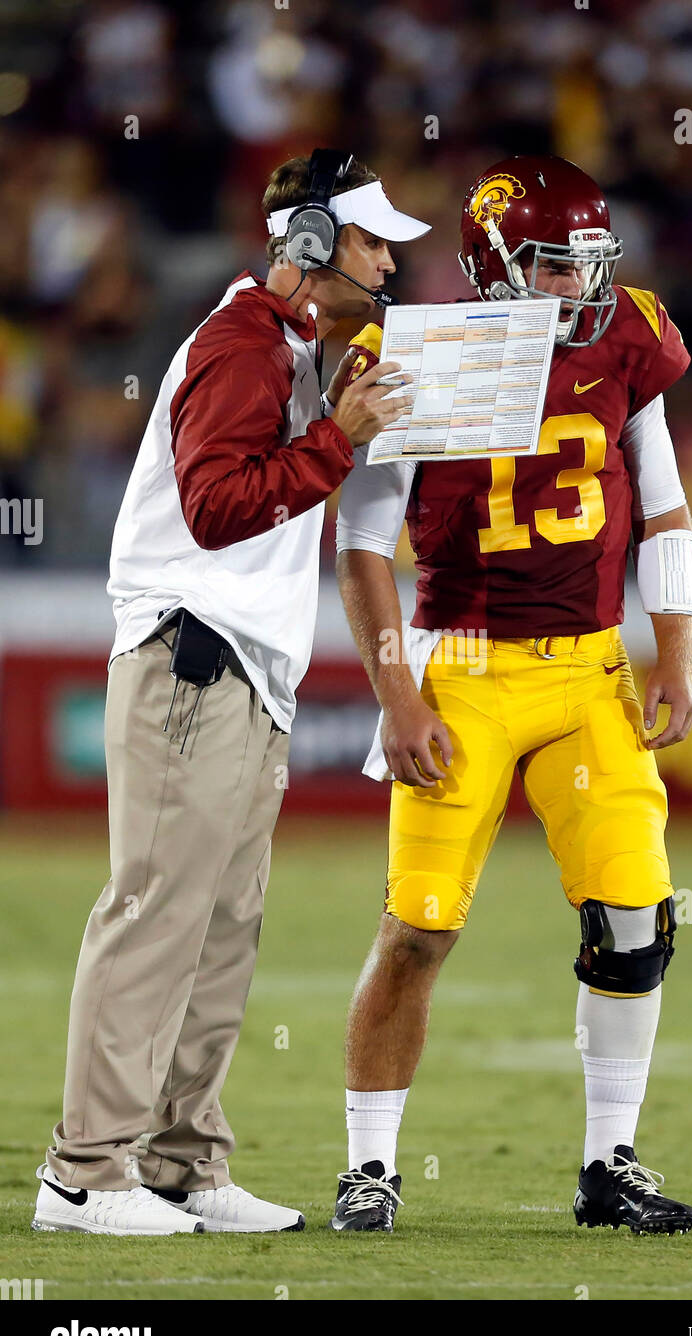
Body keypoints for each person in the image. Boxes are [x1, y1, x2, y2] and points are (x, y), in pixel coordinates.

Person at [33, 150, 428, 1236]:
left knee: (219, 928)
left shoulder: (287, 346)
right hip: (191, 655)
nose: (388, 259)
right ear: (307, 243)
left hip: (240, 664)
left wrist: (331, 425)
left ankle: (179, 1162)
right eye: (367, 239)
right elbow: (217, 506)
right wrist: (337, 442)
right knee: (156, 915)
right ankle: (83, 1173)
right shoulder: (243, 343)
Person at [330, 155, 692, 1235]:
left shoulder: (627, 332)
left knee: (633, 921)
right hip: (464, 668)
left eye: (588, 264)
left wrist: (671, 651)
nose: (577, 288)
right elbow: (361, 544)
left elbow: (664, 506)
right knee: (419, 928)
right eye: (551, 265)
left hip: (587, 666)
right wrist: (397, 696)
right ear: (493, 263)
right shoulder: (418, 352)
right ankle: (369, 1164)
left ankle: (607, 1163)